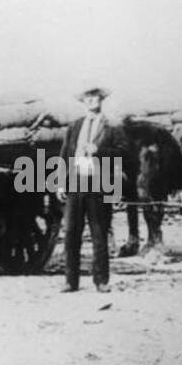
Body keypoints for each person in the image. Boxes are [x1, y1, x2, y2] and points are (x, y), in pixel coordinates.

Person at [58, 84, 128, 294]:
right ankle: (71, 281)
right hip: (75, 184)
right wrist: (61, 182)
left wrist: (99, 150)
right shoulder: (75, 126)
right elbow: (64, 155)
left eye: (95, 98)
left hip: (99, 186)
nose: (91, 101)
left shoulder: (112, 126)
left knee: (99, 234)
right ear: (83, 102)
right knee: (71, 234)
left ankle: (101, 281)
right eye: (87, 98)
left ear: (101, 101)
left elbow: (123, 154)